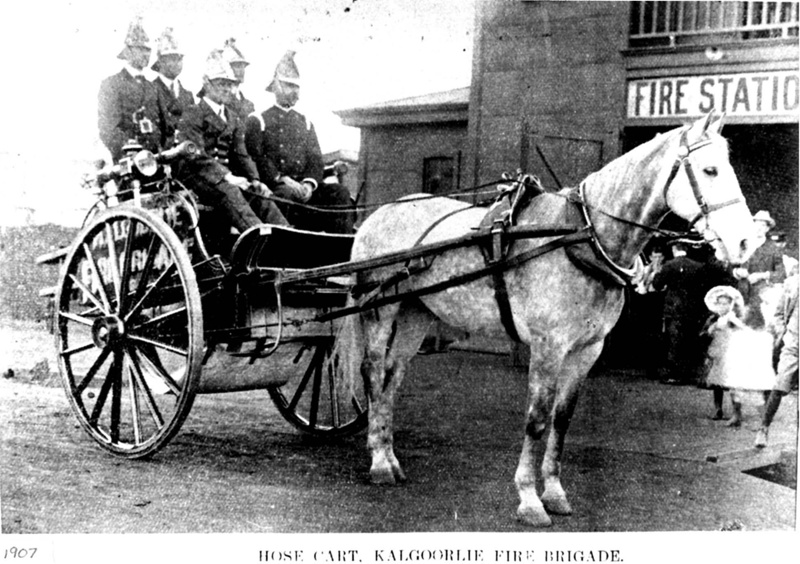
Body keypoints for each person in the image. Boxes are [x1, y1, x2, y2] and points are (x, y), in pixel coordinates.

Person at [175, 49, 287, 251]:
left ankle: (289, 240)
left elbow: (241, 154)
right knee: (230, 192)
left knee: (257, 193)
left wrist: (255, 180)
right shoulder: (193, 113)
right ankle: (264, 249)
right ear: (207, 84)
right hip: (197, 177)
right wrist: (228, 177)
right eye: (222, 84)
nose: (227, 89)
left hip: (224, 178)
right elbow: (195, 156)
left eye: (230, 84)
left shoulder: (233, 117)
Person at [244, 50, 355, 234]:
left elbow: (315, 159)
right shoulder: (258, 119)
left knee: (340, 193)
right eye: (289, 86)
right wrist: (282, 179)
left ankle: (340, 246)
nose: (295, 92)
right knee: (284, 196)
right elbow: (257, 157)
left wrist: (309, 184)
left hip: (304, 187)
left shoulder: (305, 122)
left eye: (297, 87)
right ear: (276, 86)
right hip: (276, 186)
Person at [701, 286, 776, 427]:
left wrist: (729, 324)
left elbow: (743, 328)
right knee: (723, 383)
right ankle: (725, 410)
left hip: (733, 352)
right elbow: (706, 333)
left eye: (726, 304)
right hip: (720, 352)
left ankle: (751, 416)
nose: (723, 307)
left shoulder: (733, 317)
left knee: (739, 383)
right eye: (720, 304)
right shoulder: (713, 318)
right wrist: (711, 329)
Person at [97, 17, 163, 162]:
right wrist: (128, 149)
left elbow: (163, 127)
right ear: (127, 51)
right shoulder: (111, 85)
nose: (146, 54)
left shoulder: (154, 87)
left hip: (155, 160)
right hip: (127, 161)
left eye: (148, 50)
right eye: (140, 49)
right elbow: (107, 128)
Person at [651, 241, 708, 385]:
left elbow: (657, 285)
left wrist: (658, 272)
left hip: (674, 308)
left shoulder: (669, 265)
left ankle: (675, 375)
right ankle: (689, 373)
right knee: (689, 339)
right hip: (693, 308)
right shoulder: (699, 266)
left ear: (674, 249)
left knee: (674, 341)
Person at [756, 274, 799, 447]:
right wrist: (784, 333)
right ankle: (763, 428)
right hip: (793, 343)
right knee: (780, 384)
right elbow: (779, 314)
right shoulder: (793, 283)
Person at [732, 210, 785, 328]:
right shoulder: (742, 245)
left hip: (760, 300)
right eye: (756, 224)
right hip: (738, 296)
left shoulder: (773, 249)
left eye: (763, 225)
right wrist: (735, 271)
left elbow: (781, 274)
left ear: (767, 229)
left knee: (755, 331)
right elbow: (726, 264)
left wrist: (762, 275)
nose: (759, 228)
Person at [151, 27, 195, 149]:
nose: (177, 63)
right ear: (160, 62)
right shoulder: (150, 90)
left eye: (179, 58)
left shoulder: (188, 95)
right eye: (172, 58)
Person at [221, 38, 255, 122]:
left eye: (243, 66)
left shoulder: (248, 104)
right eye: (238, 66)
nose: (242, 70)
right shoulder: (220, 101)